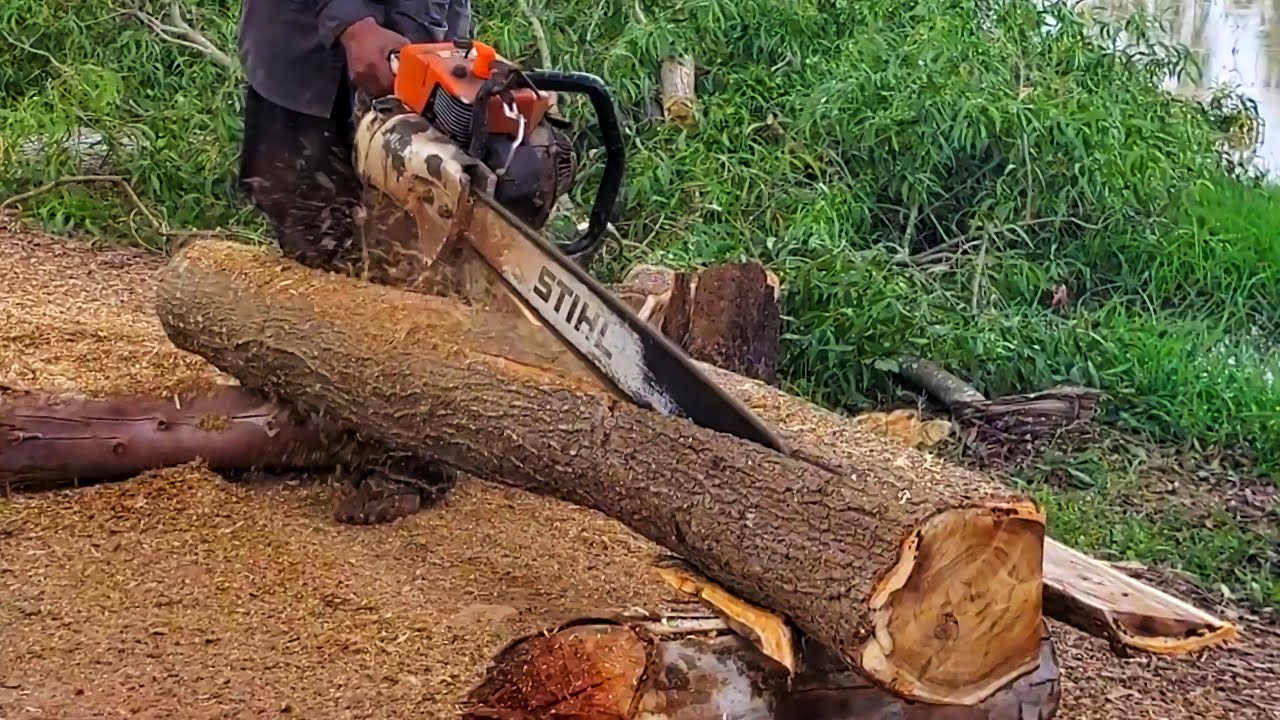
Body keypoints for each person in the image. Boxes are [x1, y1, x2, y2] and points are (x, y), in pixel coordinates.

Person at [235, 0, 472, 525]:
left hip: (419, 54)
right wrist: (351, 21)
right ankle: (329, 421)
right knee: (316, 237)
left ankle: (407, 447)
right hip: (302, 54)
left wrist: (430, 43)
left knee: (417, 257)